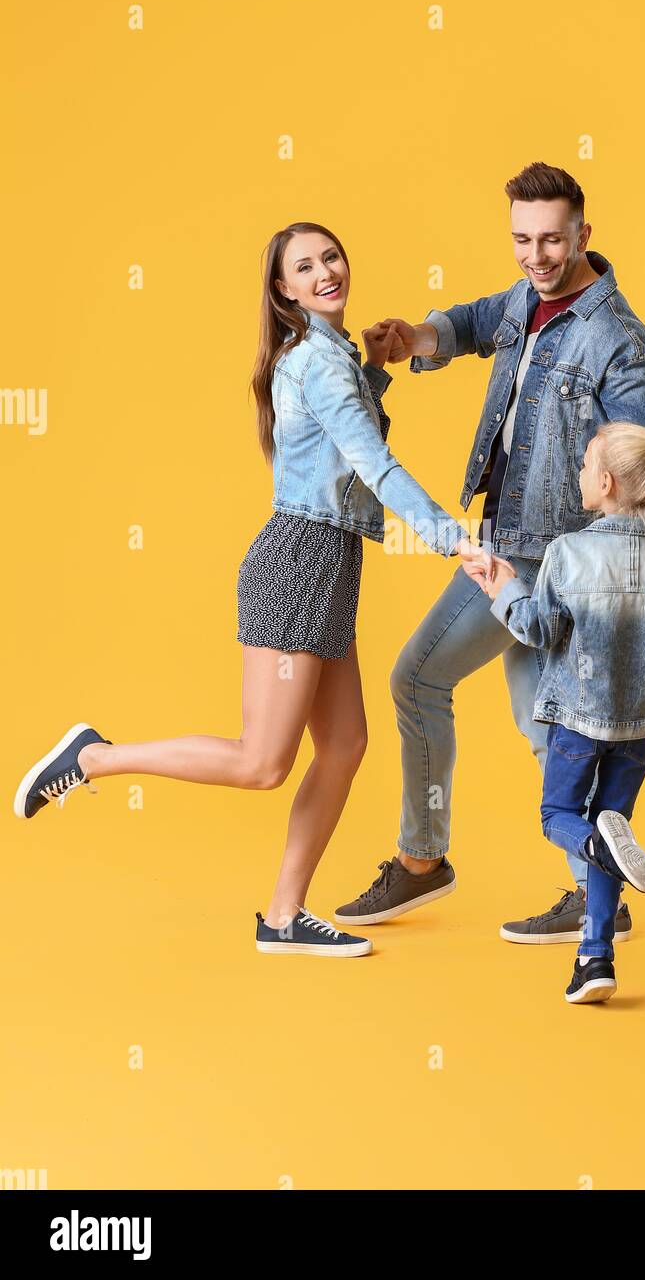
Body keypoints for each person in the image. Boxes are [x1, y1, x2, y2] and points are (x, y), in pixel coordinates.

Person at [12, 221, 486, 958]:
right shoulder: (320, 365)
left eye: (331, 255)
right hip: (299, 564)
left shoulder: (329, 358)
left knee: (346, 744)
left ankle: (283, 916)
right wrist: (457, 540)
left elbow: (340, 442)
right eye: (306, 265)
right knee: (262, 762)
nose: (326, 270)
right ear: (284, 289)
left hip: (326, 568)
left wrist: (383, 362)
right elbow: (377, 468)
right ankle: (94, 757)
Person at [334, 162, 645, 945]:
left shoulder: (616, 338)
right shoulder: (527, 299)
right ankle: (597, 896)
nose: (536, 254)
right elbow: (471, 322)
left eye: (552, 239)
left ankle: (423, 863)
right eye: (522, 238)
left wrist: (599, 562)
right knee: (546, 723)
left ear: (585, 234)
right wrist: (413, 337)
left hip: (539, 559)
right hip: (515, 546)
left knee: (417, 678)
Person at [483, 422, 645, 1002]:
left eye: (586, 464)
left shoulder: (568, 552)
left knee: (559, 815)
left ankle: (596, 856)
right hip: (640, 727)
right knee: (612, 822)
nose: (580, 474)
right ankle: (595, 960)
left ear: (606, 482)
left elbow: (538, 631)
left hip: (578, 723)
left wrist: (503, 589)